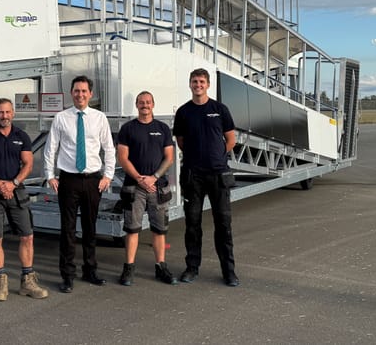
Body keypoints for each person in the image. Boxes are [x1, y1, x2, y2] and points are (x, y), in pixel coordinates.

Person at [44, 76, 116, 293]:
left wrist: (108, 176)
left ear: (90, 94)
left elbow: (109, 148)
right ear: (71, 93)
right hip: (69, 180)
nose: (80, 95)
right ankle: (67, 275)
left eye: (84, 91)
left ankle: (90, 269)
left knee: (90, 227)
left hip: (93, 180)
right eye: (76, 91)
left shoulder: (99, 118)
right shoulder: (61, 118)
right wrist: (50, 176)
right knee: (67, 230)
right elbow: (51, 148)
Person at [0, 98, 49, 301]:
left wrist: (13, 183)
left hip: (17, 192)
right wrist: (0, 185)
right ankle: (1, 281)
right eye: (0, 112)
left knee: (27, 236)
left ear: (13, 113)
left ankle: (28, 281)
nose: (4, 116)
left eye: (7, 112)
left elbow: (28, 164)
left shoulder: (21, 136)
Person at [172, 68, 240, 287]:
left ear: (208, 85)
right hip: (193, 176)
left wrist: (218, 156)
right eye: (194, 81)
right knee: (192, 224)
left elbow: (231, 139)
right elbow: (181, 141)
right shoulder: (183, 112)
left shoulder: (220, 109)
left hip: (218, 175)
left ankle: (229, 271)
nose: (198, 85)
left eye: (201, 81)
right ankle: (192, 267)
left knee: (223, 225)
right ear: (190, 84)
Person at [115, 91, 178, 286]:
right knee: (132, 229)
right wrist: (139, 179)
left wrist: (154, 177)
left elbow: (169, 157)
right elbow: (122, 158)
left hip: (157, 188)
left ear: (153, 104)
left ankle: (161, 267)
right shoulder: (128, 129)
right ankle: (128, 268)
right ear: (136, 105)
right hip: (135, 187)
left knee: (159, 230)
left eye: (148, 102)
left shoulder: (163, 129)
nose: (145, 105)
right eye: (141, 102)